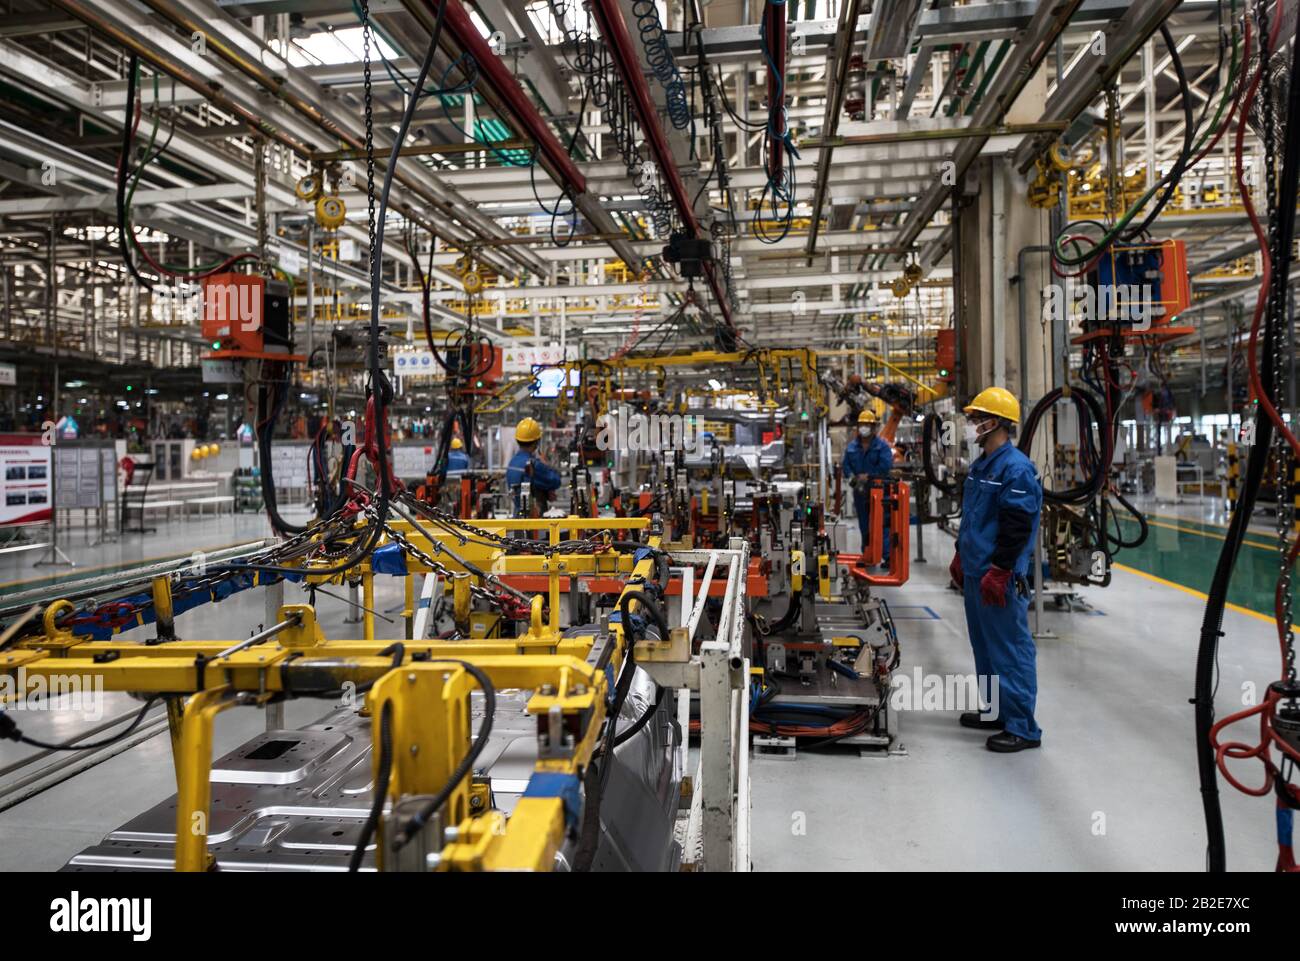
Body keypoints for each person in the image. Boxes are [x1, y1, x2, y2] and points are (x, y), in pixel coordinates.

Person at [949, 386, 1044, 753]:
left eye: (975, 419)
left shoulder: (1016, 469)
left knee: (1009, 649)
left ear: (994, 423)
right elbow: (974, 517)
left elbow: (1017, 527)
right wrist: (960, 553)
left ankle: (1022, 726)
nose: (971, 424)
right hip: (977, 572)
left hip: (999, 576)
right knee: (984, 647)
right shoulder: (982, 466)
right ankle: (995, 711)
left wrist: (1001, 570)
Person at [842, 408, 893, 560]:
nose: (864, 428)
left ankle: (886, 556)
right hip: (860, 492)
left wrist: (869, 476)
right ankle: (868, 554)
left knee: (881, 523)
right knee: (864, 525)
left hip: (878, 491)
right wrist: (853, 477)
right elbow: (846, 466)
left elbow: (886, 466)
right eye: (862, 424)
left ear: (873, 427)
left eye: (867, 425)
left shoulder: (882, 446)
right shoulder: (851, 447)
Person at [506, 417, 561, 515]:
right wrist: (546, 464)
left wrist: (545, 491)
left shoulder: (512, 463)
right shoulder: (534, 465)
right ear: (536, 442)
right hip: (534, 519)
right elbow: (555, 481)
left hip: (517, 516)